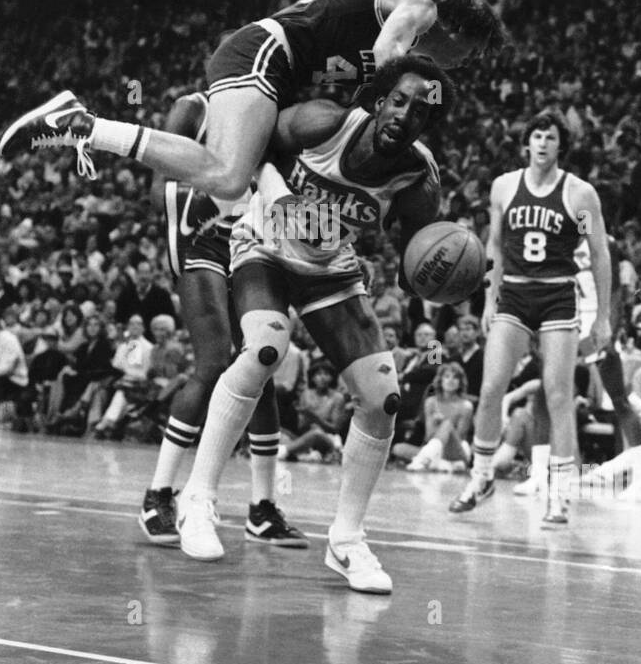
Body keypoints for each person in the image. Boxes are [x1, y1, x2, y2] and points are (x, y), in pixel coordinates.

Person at [174, 53, 449, 593]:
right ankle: (198, 498)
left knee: (382, 397)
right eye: (399, 101)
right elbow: (254, 147)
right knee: (264, 352)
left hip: (330, 269)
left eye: (420, 112)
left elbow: (411, 264)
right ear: (379, 100)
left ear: (427, 125)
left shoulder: (419, 180)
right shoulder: (324, 121)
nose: (405, 115)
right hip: (267, 247)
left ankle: (346, 541)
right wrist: (274, 190)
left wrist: (434, 278)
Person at [0, 0, 504, 208]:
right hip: (266, 51)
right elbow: (387, 58)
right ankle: (80, 123)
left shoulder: (418, 35)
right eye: (475, 51)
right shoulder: (419, 10)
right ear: (460, 30)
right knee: (230, 175)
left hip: (279, 72)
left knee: (230, 186)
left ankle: (188, 119)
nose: (470, 63)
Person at [138, 90, 305, 547]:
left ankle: (263, 508)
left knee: (261, 364)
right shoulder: (192, 110)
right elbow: (159, 193)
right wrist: (227, 189)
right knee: (212, 364)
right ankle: (159, 493)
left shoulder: (278, 118)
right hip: (204, 242)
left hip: (255, 245)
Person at [452, 109, 611, 526]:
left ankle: (560, 495)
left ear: (562, 145)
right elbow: (495, 247)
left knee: (558, 395)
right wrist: (488, 301)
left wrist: (604, 316)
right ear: (527, 142)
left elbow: (599, 254)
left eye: (551, 137)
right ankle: (482, 477)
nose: (542, 143)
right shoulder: (504, 187)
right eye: (537, 135)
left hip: (559, 293)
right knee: (489, 389)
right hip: (515, 295)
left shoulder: (580, 195)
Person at [405, 362, 473, 472]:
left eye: (455, 378)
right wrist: (434, 423)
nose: (450, 380)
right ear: (440, 380)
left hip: (457, 450)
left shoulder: (466, 406)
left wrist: (444, 424)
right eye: (447, 376)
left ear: (460, 383)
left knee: (447, 424)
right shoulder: (431, 402)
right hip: (435, 448)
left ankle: (424, 460)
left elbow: (460, 437)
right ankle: (443, 464)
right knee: (398, 448)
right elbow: (429, 436)